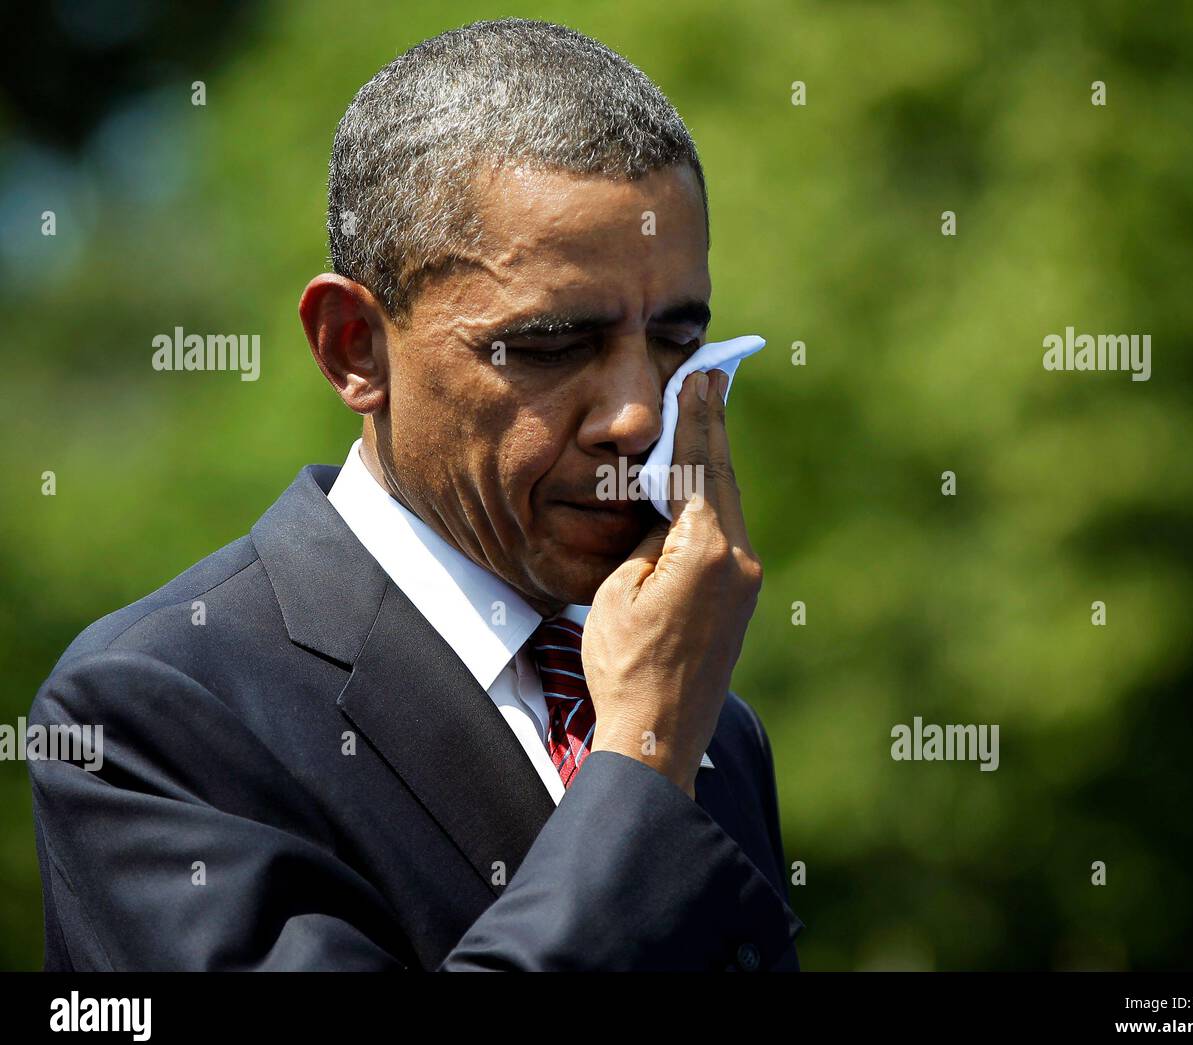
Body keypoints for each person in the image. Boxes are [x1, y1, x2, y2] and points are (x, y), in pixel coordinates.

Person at [26, 17, 801, 971]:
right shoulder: (153, 714)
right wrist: (640, 762)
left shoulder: (707, 721)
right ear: (354, 344)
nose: (638, 417)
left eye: (678, 339)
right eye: (553, 345)